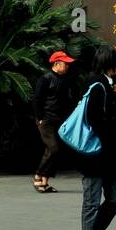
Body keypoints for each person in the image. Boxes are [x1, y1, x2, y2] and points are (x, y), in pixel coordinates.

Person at [73, 45, 116, 230]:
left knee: (115, 199)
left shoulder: (107, 84)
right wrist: (111, 137)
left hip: (107, 156)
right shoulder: (96, 85)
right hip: (94, 154)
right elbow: (95, 120)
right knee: (92, 202)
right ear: (109, 63)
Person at [31, 50, 74, 193]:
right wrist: (40, 118)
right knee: (54, 148)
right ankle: (38, 174)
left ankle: (44, 182)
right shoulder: (45, 79)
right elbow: (37, 99)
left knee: (52, 150)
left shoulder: (66, 80)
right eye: (65, 63)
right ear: (57, 63)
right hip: (46, 120)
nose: (68, 66)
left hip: (59, 120)